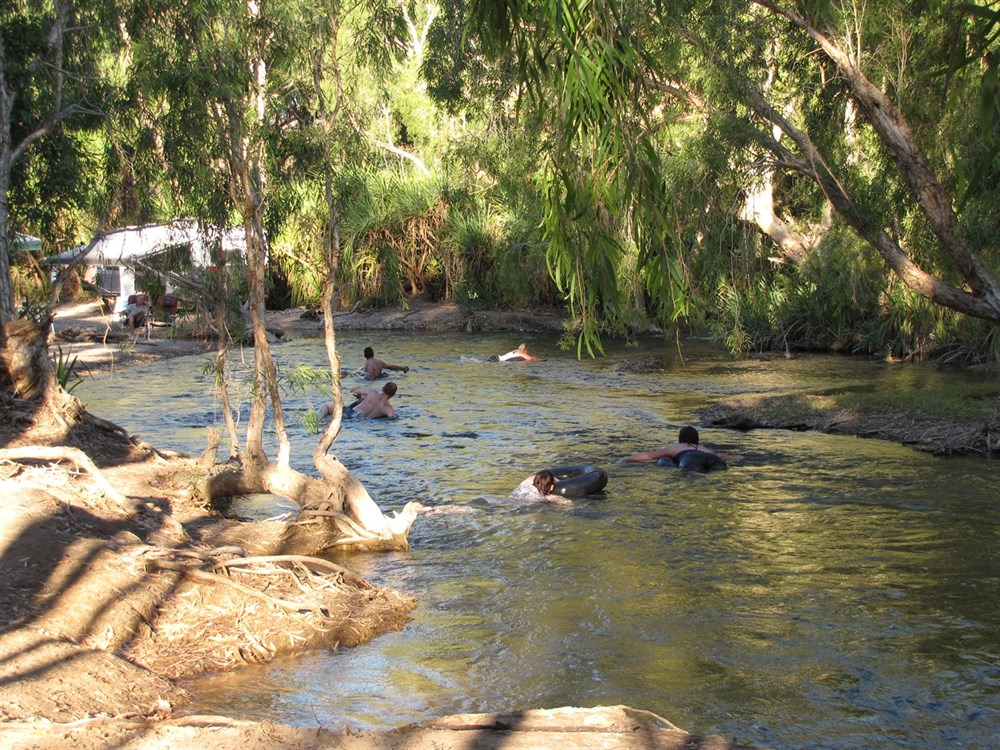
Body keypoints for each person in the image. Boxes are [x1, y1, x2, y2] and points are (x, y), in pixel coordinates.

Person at [621, 426, 743, 472]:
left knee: (693, 475)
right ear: (697, 438)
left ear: (680, 438)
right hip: (713, 459)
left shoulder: (675, 447)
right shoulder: (705, 449)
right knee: (717, 472)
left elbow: (649, 456)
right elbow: (723, 457)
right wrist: (738, 457)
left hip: (690, 458)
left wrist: (627, 458)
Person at [319, 381, 398, 420]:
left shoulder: (372, 392)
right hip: (360, 420)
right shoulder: (389, 409)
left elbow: (353, 391)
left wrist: (359, 396)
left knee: (326, 406)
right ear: (393, 395)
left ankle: (319, 420)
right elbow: (392, 418)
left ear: (383, 388)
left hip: (350, 413)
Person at [507, 470, 572, 505]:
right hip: (529, 503)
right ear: (551, 487)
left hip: (511, 499)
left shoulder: (527, 482)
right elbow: (568, 503)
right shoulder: (545, 497)